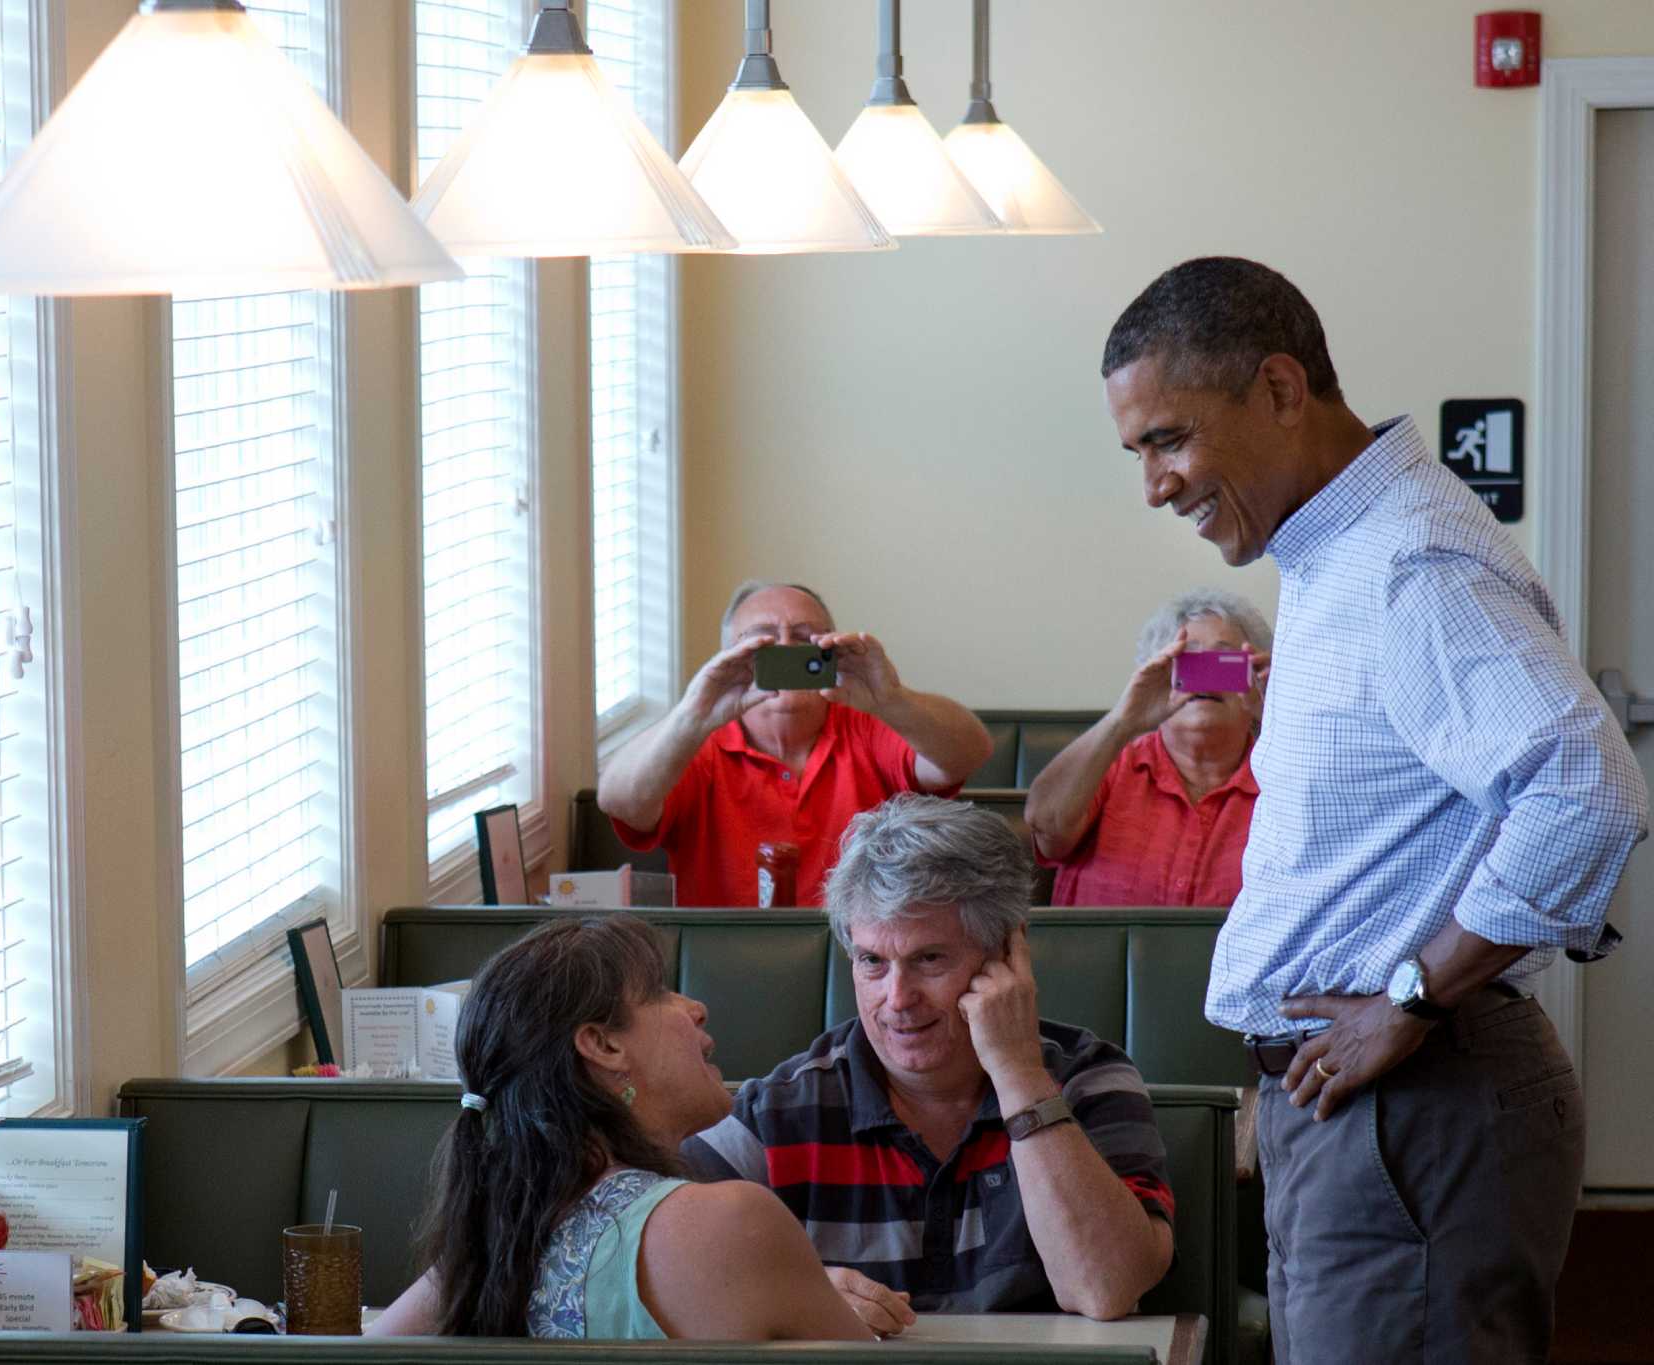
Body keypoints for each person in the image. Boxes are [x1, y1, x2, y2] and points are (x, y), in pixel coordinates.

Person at [1100, 256, 1648, 1365]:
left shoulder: (1407, 561)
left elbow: (1584, 790)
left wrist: (1407, 995)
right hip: (1366, 1106)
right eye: (1139, 451)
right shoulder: (1331, 550)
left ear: (1277, 389)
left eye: (1168, 438)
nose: (1154, 483)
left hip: (1417, 1101)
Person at [684, 795, 1174, 1331]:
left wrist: (1019, 1076)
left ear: (1009, 956)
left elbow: (1104, 1287)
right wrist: (796, 1290)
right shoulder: (780, 1109)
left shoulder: (1090, 1081)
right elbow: (641, 1253)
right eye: (872, 962)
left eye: (930, 959)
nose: (897, 998)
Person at [369, 915, 869, 1341]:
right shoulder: (737, 1223)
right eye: (659, 992)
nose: (696, 1008)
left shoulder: (489, 1248)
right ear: (604, 1046)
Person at [598, 580, 991, 907]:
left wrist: (893, 698)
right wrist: (691, 715)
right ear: (731, 655)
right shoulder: (698, 742)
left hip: (865, 959)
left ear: (830, 649)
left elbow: (968, 754)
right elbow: (619, 801)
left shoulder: (866, 724)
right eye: (762, 642)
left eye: (804, 639)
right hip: (724, 958)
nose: (785, 649)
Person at [1026, 589, 1271, 906]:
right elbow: (1047, 829)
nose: (1206, 679)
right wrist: (1123, 720)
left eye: (1224, 661)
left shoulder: (1280, 777)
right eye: (1187, 662)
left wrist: (1279, 718)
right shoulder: (1109, 765)